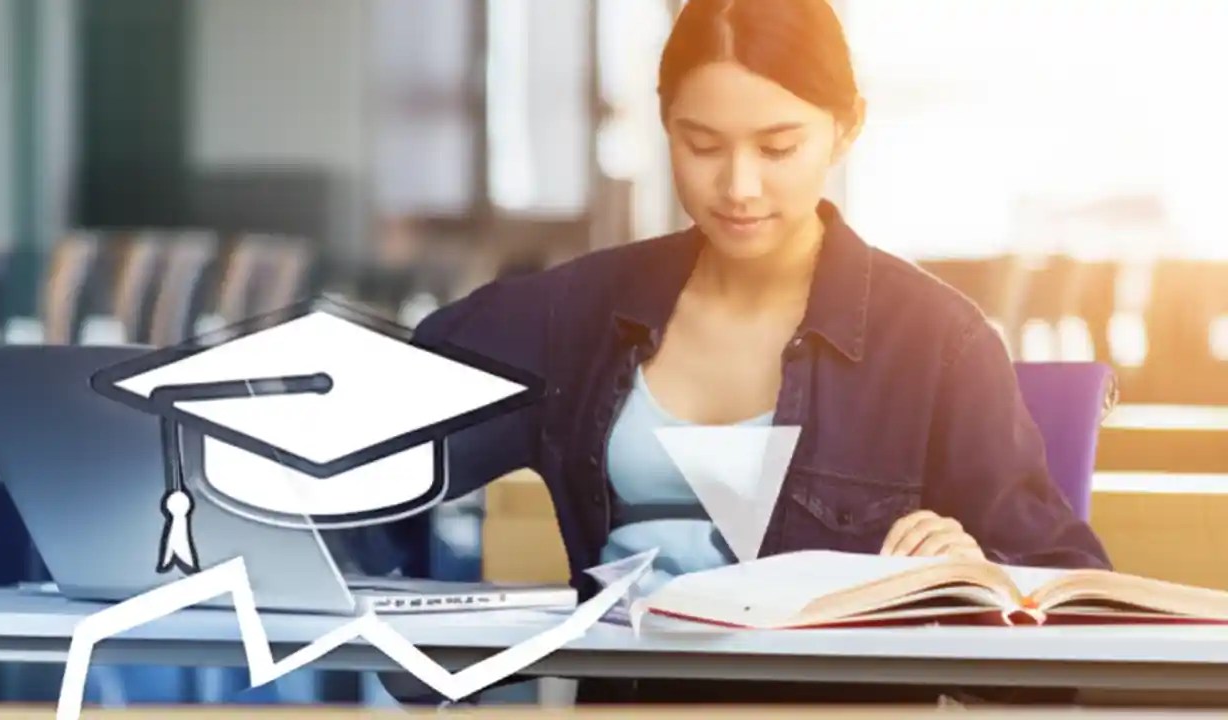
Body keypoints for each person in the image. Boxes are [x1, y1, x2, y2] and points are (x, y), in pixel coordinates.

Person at [398, 0, 1111, 705]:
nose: (738, 187)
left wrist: (977, 579)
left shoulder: (939, 341)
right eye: (701, 145)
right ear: (664, 125)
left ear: (845, 129)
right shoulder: (578, 311)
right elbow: (383, 419)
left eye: (777, 148)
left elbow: (1068, 594)